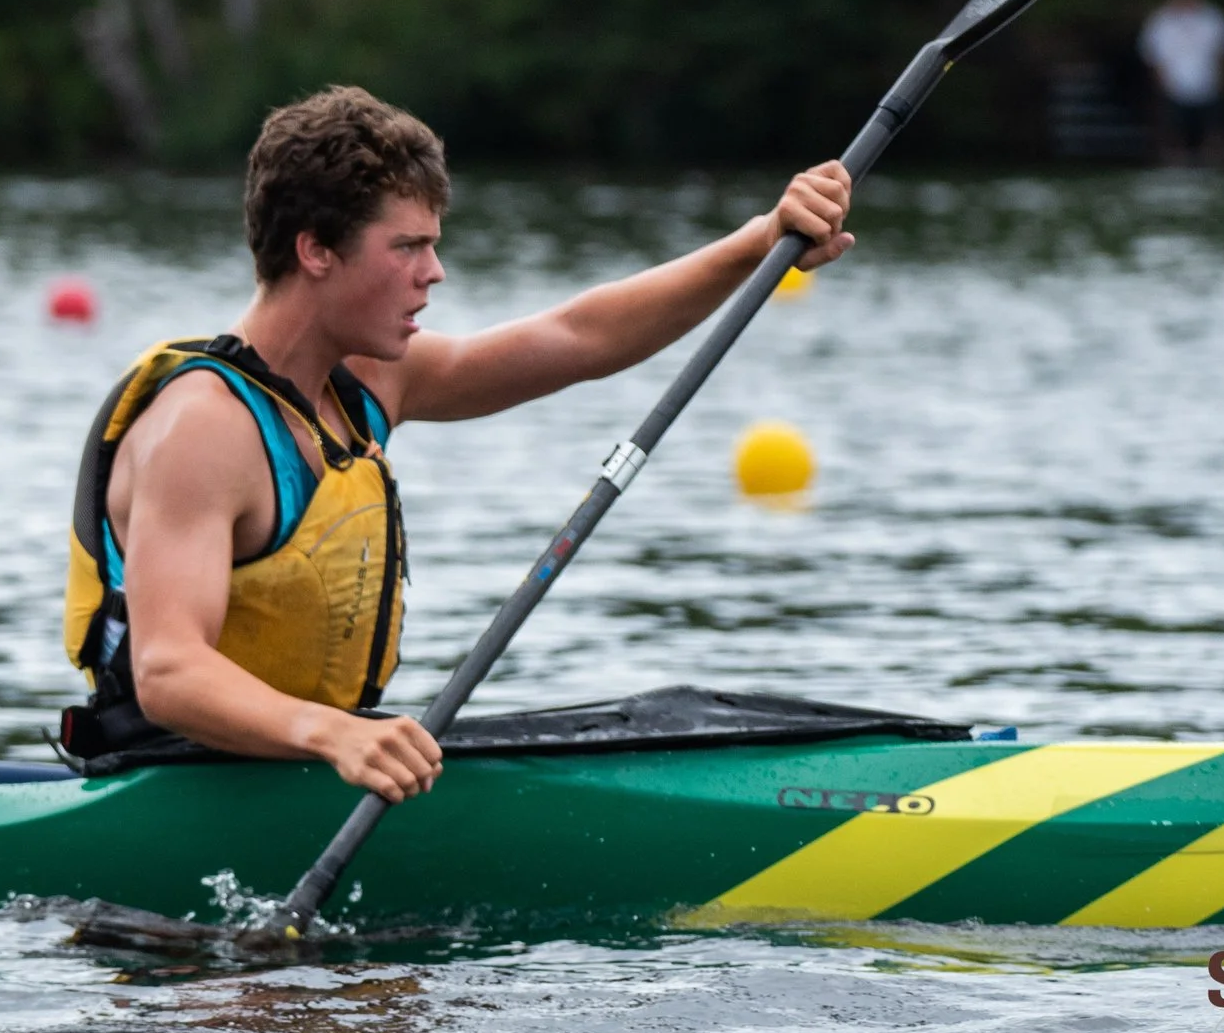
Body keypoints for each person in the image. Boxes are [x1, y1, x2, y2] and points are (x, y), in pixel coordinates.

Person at [61, 86, 853, 804]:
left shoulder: (367, 381)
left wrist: (755, 243)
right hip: (174, 785)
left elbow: (576, 337)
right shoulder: (202, 426)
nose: (433, 272)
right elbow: (169, 672)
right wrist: (338, 733)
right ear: (316, 250)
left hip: (304, 767)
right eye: (407, 246)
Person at [1138, 0, 1224, 166]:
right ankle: (1174, 164)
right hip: (1174, 87)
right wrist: (1162, 84)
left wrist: (1222, 80)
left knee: (1214, 131)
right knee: (1174, 133)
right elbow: (1153, 56)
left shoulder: (1213, 17)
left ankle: (1216, 162)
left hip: (1208, 84)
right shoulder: (1161, 21)